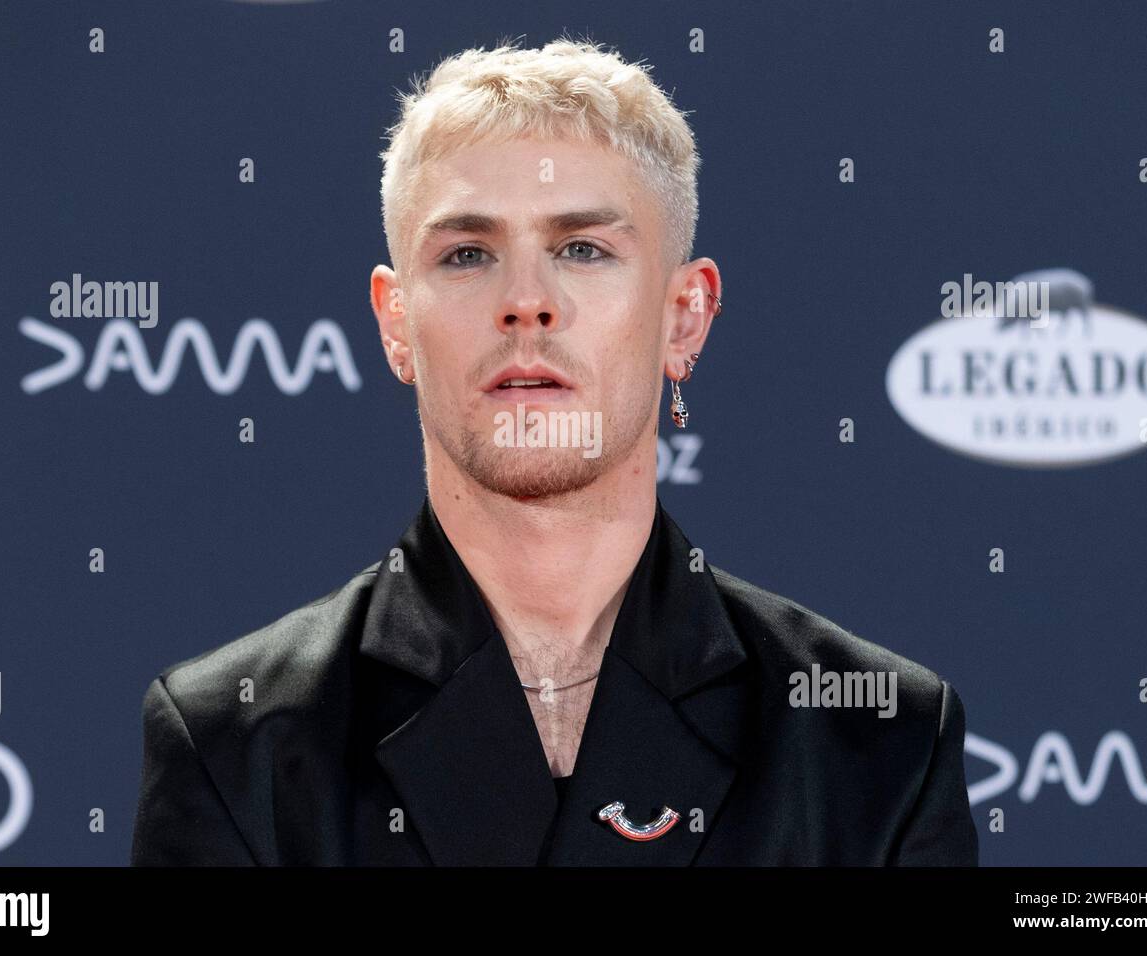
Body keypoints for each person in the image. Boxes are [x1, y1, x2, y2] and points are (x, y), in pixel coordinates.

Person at [130, 37, 978, 866]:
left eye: (582, 249)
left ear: (685, 317)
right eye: (468, 254)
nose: (527, 302)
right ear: (396, 323)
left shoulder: (875, 742)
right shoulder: (236, 741)